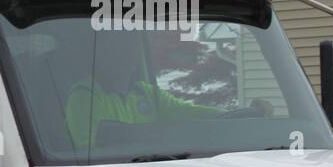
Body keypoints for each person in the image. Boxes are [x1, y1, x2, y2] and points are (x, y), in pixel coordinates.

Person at [65, 31, 267, 150]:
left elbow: (190, 112)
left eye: (130, 47)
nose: (127, 54)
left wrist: (238, 117)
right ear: (101, 55)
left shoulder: (146, 93)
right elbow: (88, 154)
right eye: (119, 47)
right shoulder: (84, 97)